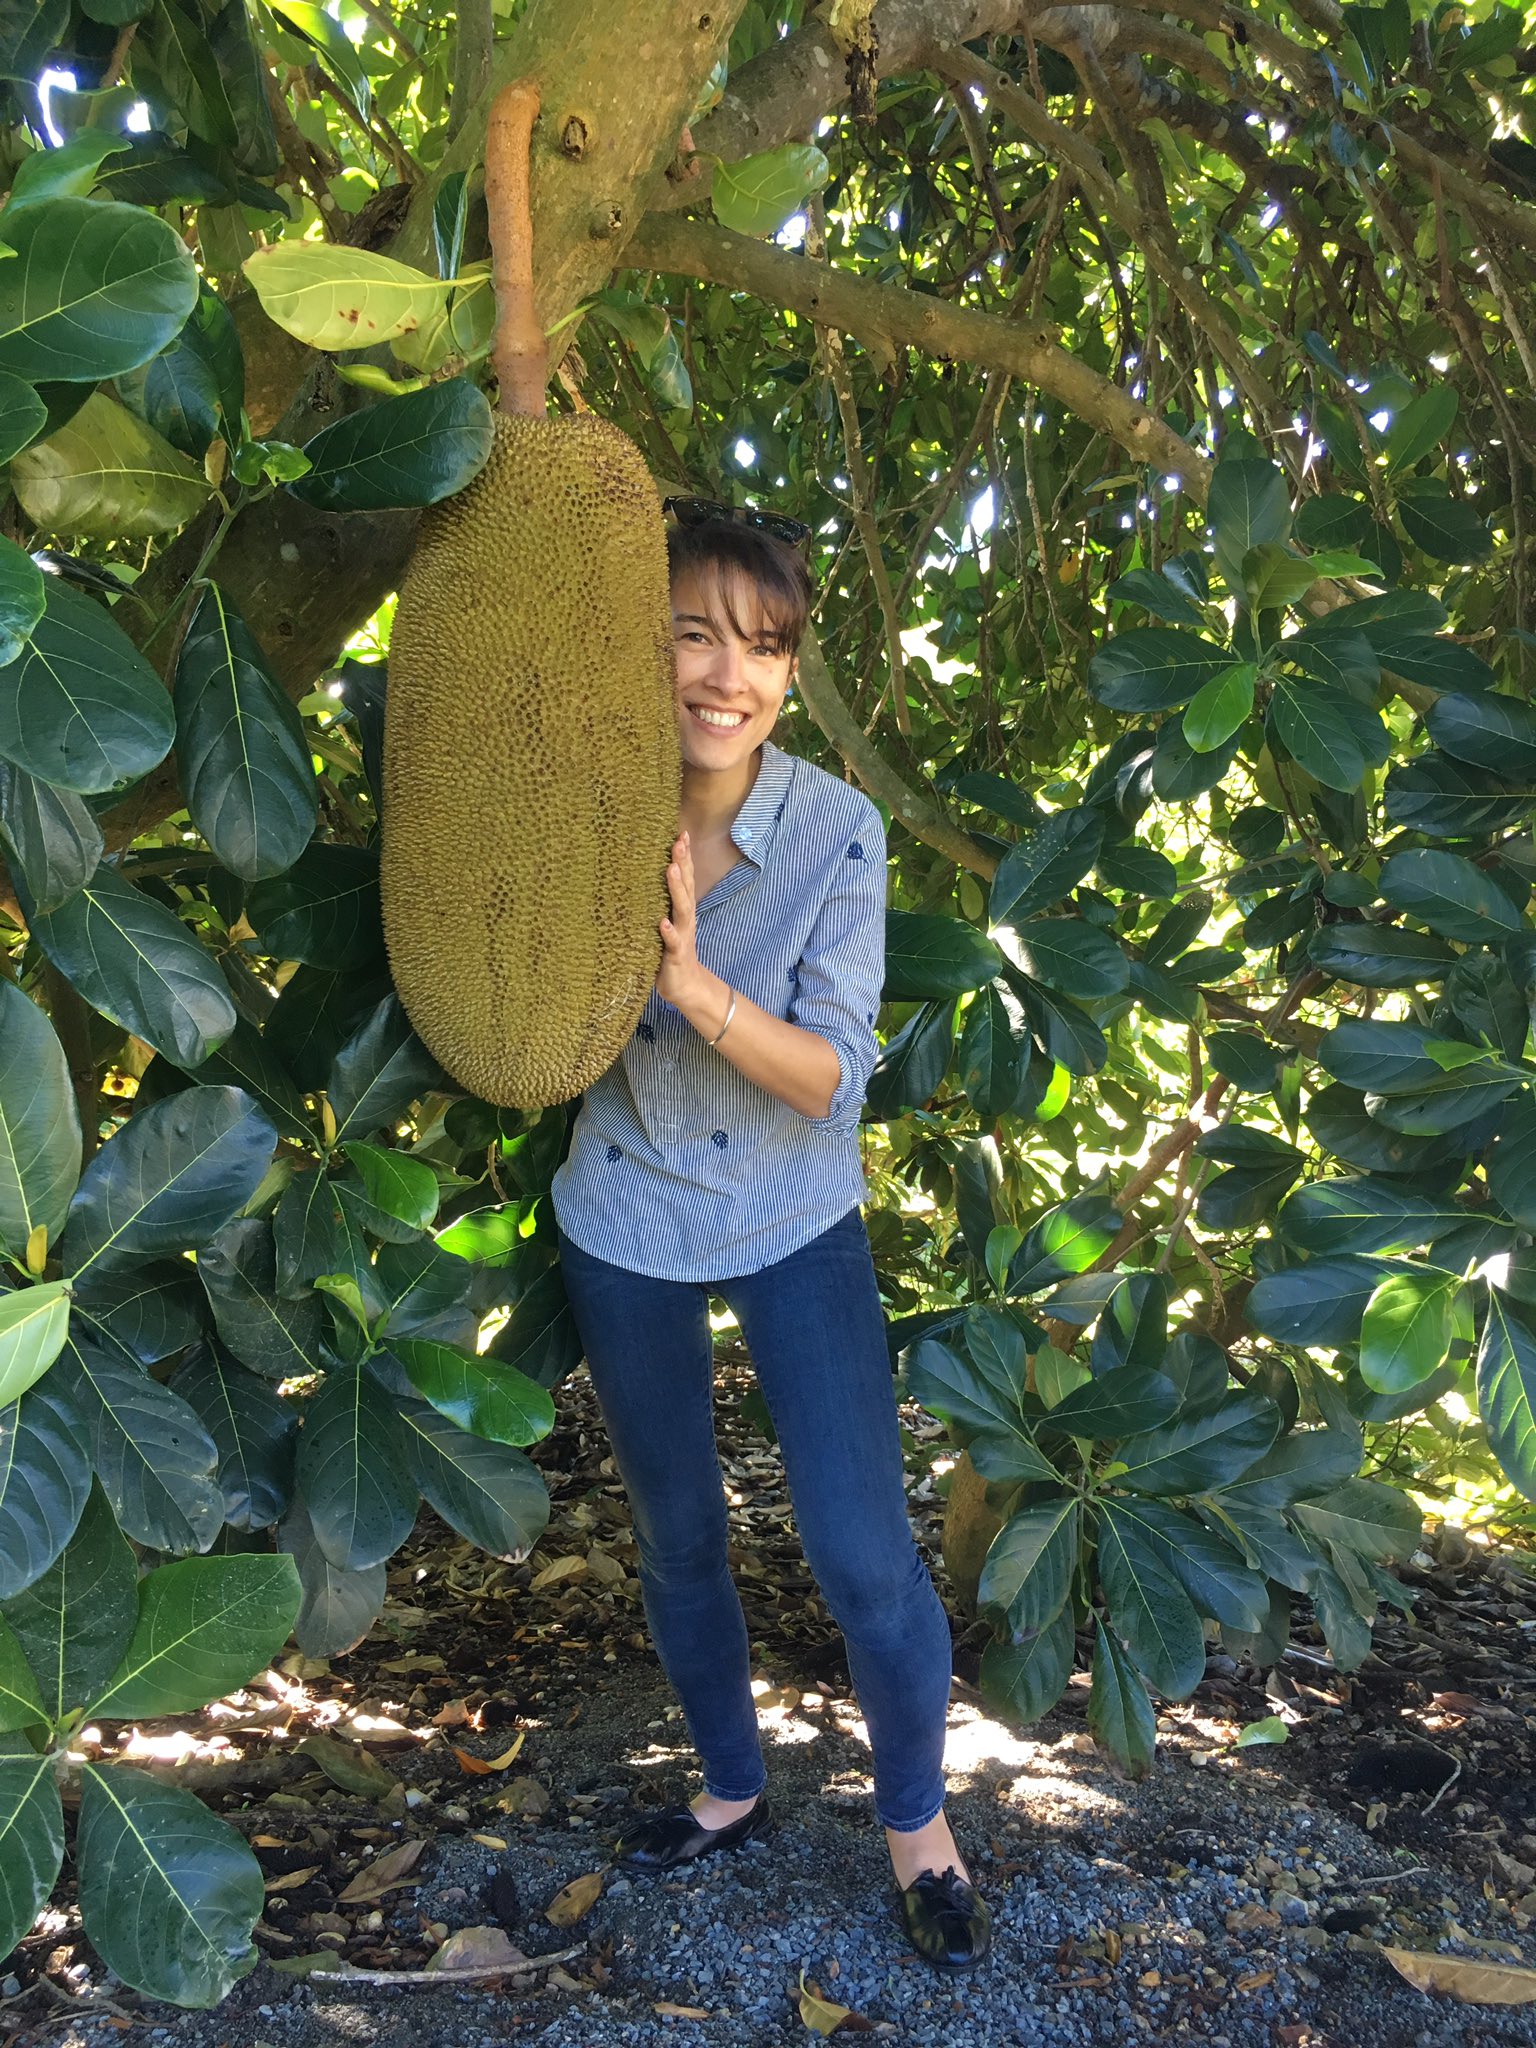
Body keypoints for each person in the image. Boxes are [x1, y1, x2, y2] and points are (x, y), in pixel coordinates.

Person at [548, 499, 992, 1973]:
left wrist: (686, 982)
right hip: (625, 1205)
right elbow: (525, 1027)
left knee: (865, 1555)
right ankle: (732, 1788)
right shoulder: (580, 809)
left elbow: (831, 1075)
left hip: (794, 1213)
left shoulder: (836, 832)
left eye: (762, 646)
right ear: (641, 645)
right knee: (679, 1540)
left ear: (792, 674)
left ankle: (918, 1825)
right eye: (692, 633)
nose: (724, 675)